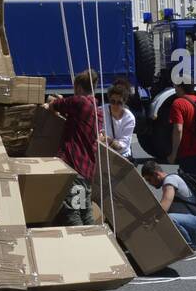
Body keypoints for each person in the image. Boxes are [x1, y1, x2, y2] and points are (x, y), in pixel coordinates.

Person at [46, 69, 100, 225]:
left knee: (72, 212)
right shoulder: (96, 108)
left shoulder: (79, 102)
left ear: (79, 88)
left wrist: (55, 101)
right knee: (85, 211)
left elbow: (54, 106)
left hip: (74, 167)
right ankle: (96, 241)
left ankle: (82, 244)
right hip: (87, 170)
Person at [141, 160, 196, 251]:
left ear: (156, 174)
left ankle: (189, 248)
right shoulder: (171, 180)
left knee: (168, 218)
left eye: (149, 180)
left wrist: (149, 221)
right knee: (163, 220)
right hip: (194, 224)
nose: (149, 183)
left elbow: (164, 208)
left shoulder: (170, 181)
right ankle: (190, 242)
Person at [100, 79, 136, 158]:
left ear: (124, 102)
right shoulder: (100, 111)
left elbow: (122, 146)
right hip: (103, 154)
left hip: (122, 156)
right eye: (113, 101)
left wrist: (109, 141)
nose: (115, 105)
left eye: (119, 102)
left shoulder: (129, 118)